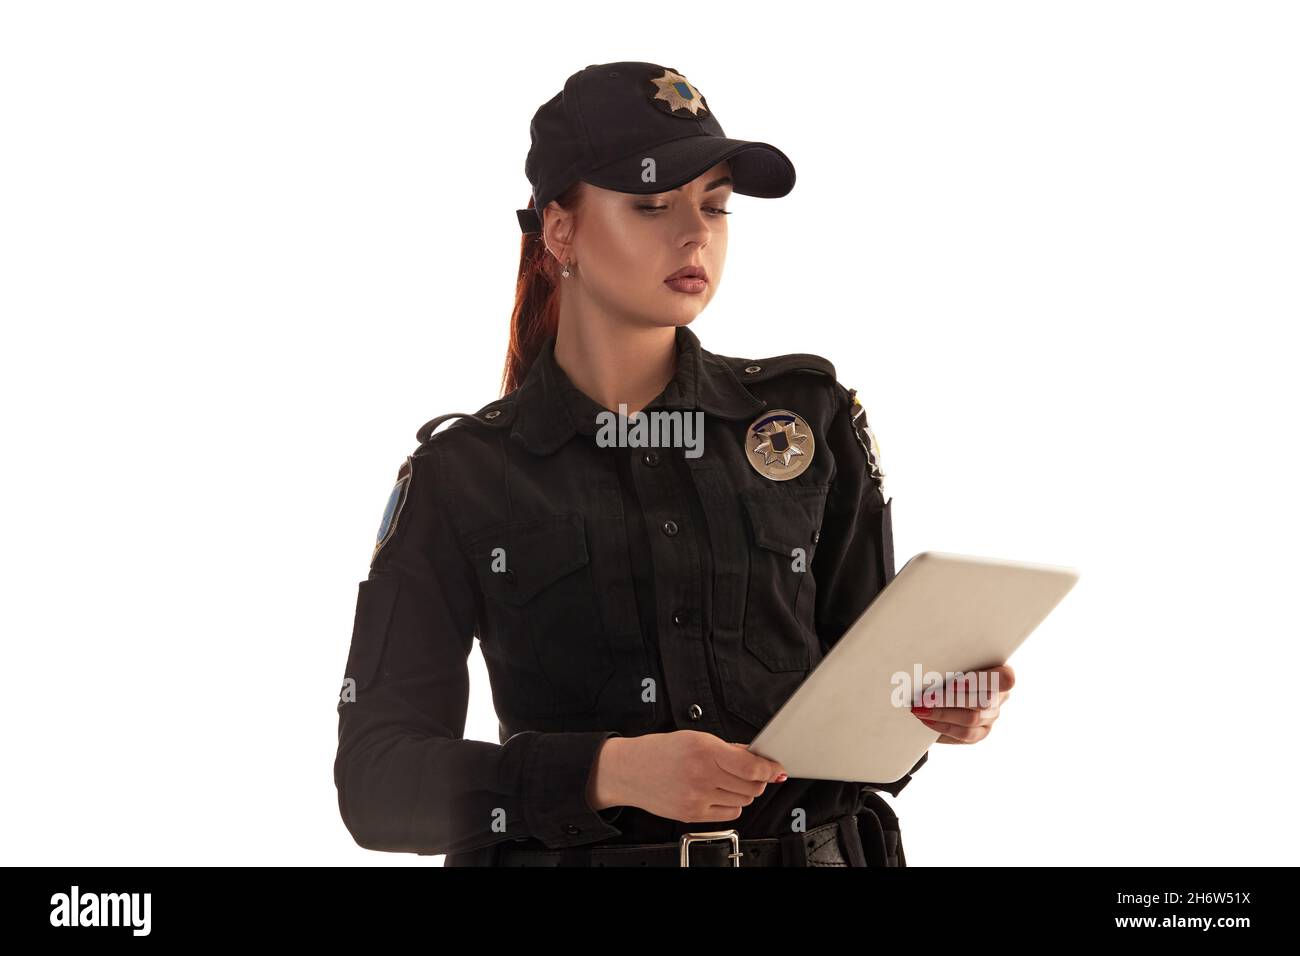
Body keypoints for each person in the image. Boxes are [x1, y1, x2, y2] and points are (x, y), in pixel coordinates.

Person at [334, 61, 1013, 867]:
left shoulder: (807, 422)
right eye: (652, 204)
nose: (695, 234)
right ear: (560, 230)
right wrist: (608, 773)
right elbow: (377, 788)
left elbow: (864, 710)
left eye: (715, 205)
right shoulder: (463, 474)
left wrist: (934, 707)